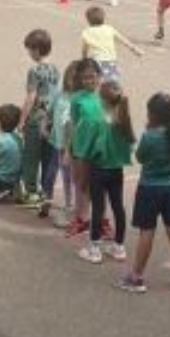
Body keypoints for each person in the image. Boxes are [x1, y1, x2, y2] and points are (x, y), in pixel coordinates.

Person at [118, 92, 170, 294]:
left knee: (147, 232)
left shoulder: (150, 136)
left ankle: (137, 277)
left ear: (153, 115)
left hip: (149, 187)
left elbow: (140, 157)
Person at [80, 78, 135, 264]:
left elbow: (90, 148)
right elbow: (130, 143)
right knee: (118, 206)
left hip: (99, 169)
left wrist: (83, 170)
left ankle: (94, 248)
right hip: (116, 170)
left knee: (98, 207)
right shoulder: (123, 119)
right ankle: (119, 246)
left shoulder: (98, 121)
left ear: (102, 99)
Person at [19, 29, 61, 209]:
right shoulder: (55, 69)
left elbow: (31, 96)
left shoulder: (34, 70)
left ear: (36, 50)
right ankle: (46, 192)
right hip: (51, 116)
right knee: (48, 157)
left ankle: (31, 192)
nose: (29, 53)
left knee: (31, 156)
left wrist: (22, 120)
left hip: (37, 117)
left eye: (29, 49)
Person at [66, 58, 106, 237]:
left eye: (93, 76)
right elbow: (74, 124)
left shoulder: (106, 96)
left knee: (100, 187)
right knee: (82, 184)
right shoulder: (76, 99)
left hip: (101, 150)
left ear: (100, 75)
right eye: (85, 78)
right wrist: (69, 149)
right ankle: (81, 218)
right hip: (81, 148)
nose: (90, 81)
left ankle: (101, 221)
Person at [47, 61, 79, 227]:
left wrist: (68, 149)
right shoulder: (60, 94)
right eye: (71, 77)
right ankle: (69, 204)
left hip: (73, 147)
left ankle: (76, 210)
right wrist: (45, 123)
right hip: (59, 142)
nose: (72, 81)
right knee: (66, 176)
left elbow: (74, 126)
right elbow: (51, 110)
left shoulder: (79, 100)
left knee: (75, 178)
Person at [81, 4, 144, 82]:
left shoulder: (86, 32)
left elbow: (84, 49)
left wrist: (84, 59)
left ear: (88, 20)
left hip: (96, 61)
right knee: (111, 81)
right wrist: (135, 50)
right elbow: (123, 40)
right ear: (103, 18)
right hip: (110, 60)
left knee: (97, 80)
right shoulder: (109, 29)